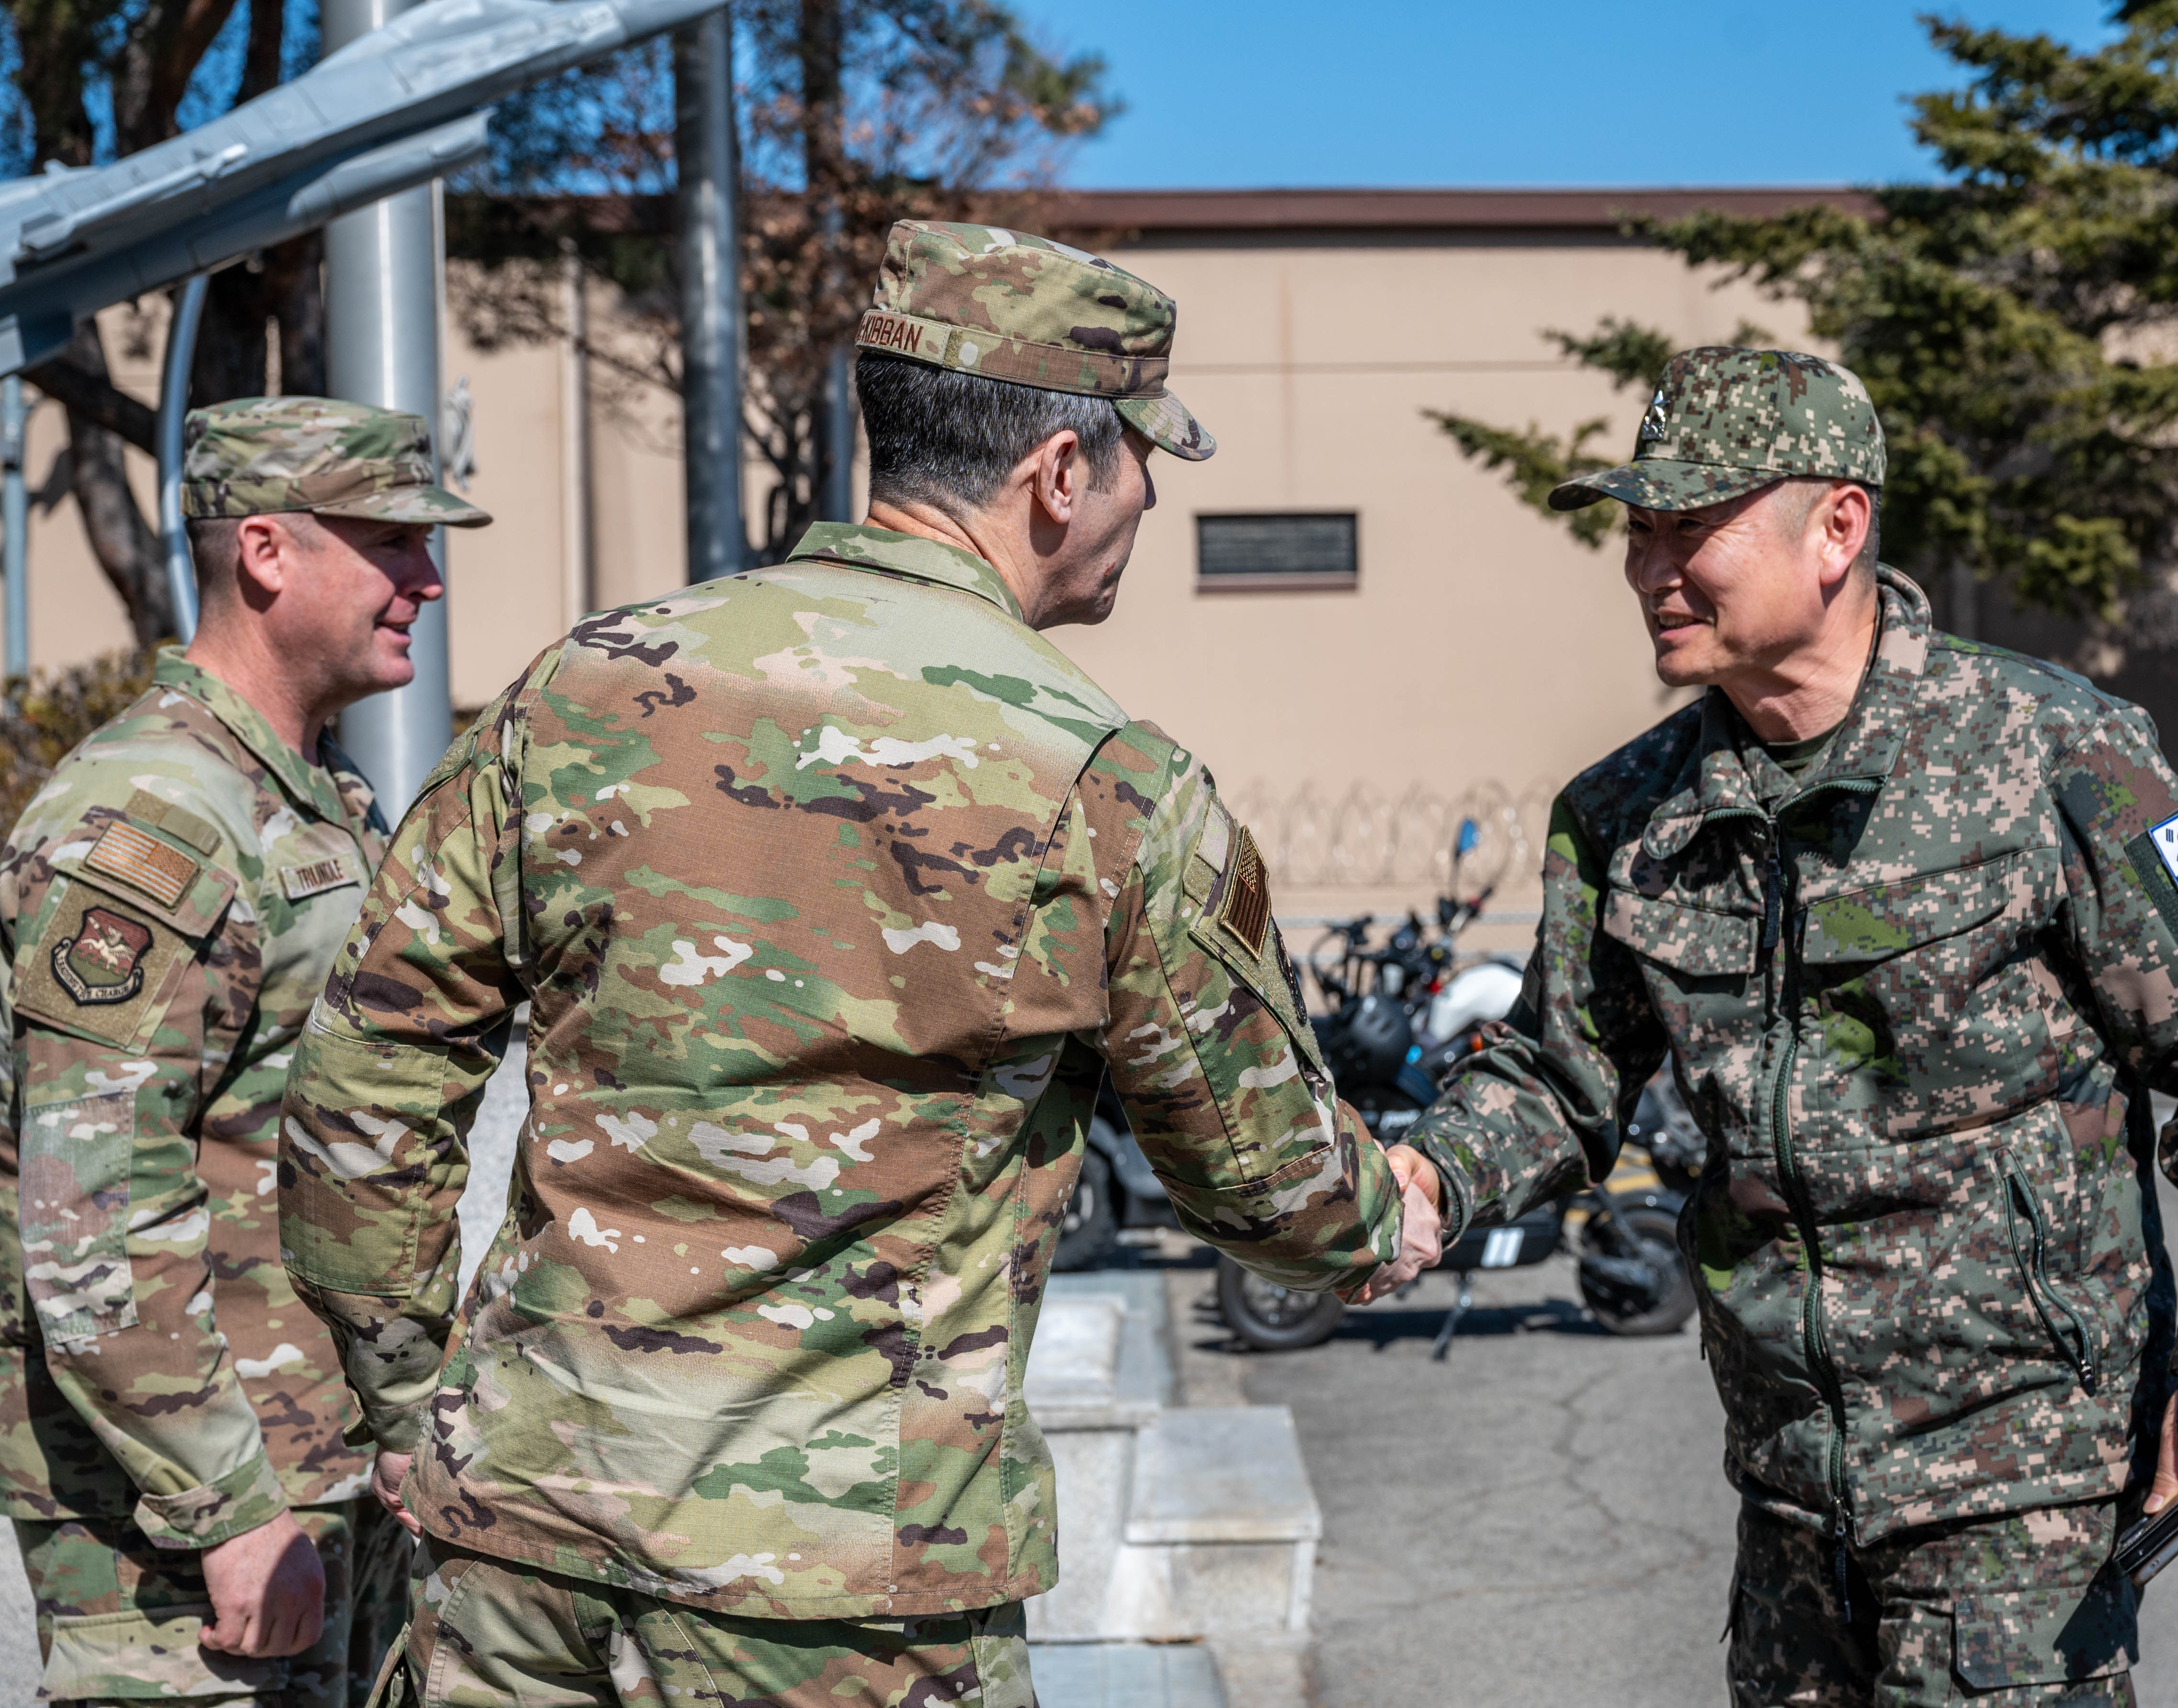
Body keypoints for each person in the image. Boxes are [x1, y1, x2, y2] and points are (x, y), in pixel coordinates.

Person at [277, 220, 1440, 1708]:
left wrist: (410, 1395)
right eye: (1144, 458)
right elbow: (1269, 1185)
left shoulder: (581, 686)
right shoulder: (1104, 781)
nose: (1148, 497)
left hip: (519, 1537)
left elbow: (367, 1072)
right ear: (1060, 473)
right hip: (839, 1595)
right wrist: (1388, 1208)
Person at [1401, 347, 2178, 1705]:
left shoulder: (2051, 753)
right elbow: (1557, 1075)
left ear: (1837, 528)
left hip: (2021, 1490)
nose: (1651, 568)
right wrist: (1424, 1181)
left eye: (1691, 527)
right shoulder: (1626, 817)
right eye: (1637, 530)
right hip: (1788, 1493)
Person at [0, 396, 487, 1705]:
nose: (427, 580)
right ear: (268, 553)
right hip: (184, 1518)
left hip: (313, 1472)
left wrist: (395, 1426)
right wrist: (226, 1511)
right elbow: (91, 1215)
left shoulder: (311, 794)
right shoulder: (152, 817)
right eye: (392, 543)